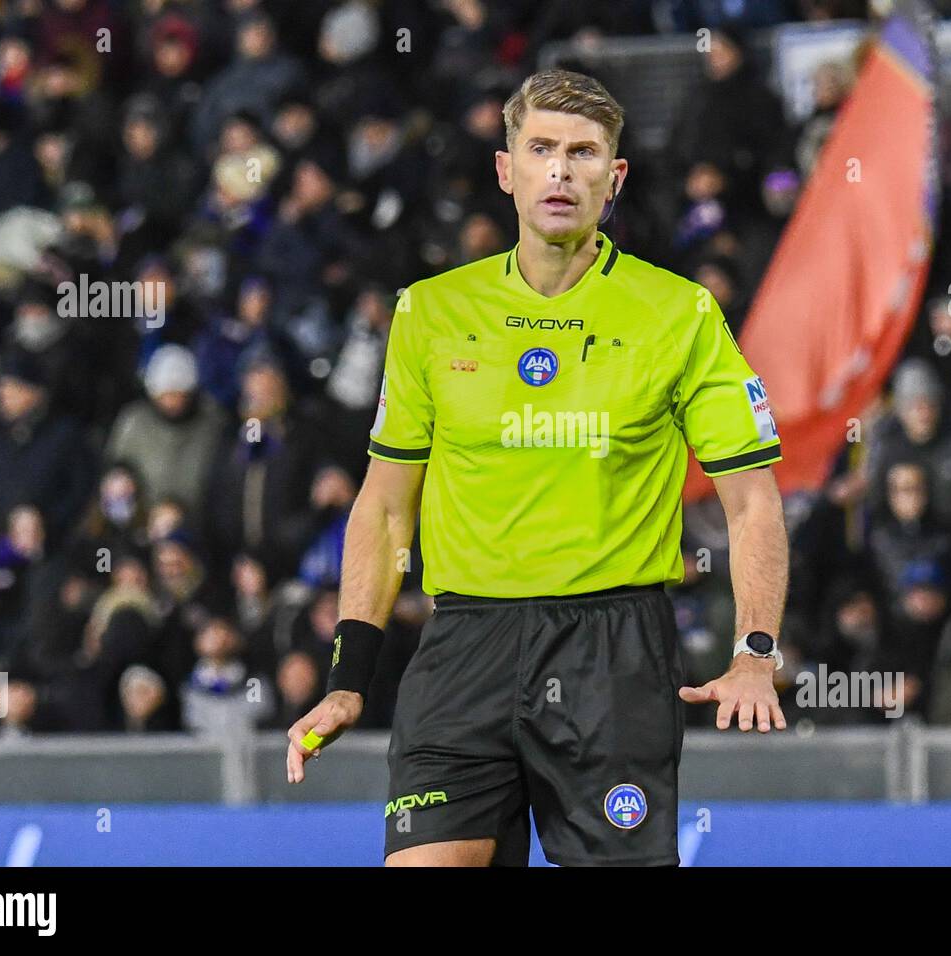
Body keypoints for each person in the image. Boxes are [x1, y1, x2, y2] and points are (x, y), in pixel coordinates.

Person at [284, 69, 790, 867]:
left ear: (614, 177)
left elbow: (753, 504)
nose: (561, 171)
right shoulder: (430, 313)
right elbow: (384, 510)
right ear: (505, 169)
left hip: (613, 654)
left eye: (584, 153)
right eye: (541, 149)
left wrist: (755, 653)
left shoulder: (678, 314)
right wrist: (351, 674)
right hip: (462, 647)